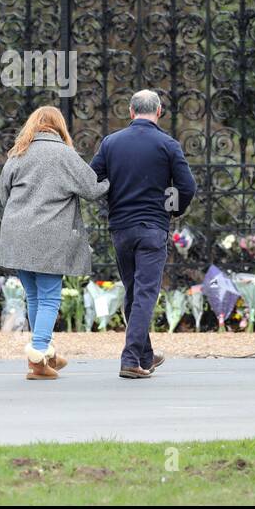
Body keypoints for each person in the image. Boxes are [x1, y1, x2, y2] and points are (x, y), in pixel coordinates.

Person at [91, 89, 196, 379]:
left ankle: (145, 355)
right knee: (146, 292)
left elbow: (92, 178)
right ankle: (130, 358)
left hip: (121, 228)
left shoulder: (111, 143)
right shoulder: (168, 144)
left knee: (134, 291)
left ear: (130, 111)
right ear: (159, 111)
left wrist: (110, 202)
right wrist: (172, 209)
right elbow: (187, 187)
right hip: (152, 227)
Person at [0, 106, 108, 379]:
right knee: (48, 298)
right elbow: (92, 189)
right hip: (50, 234)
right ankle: (37, 356)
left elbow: (4, 193)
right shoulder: (65, 155)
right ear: (60, 127)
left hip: (16, 232)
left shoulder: (17, 153)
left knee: (33, 295)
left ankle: (44, 355)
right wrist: (111, 181)